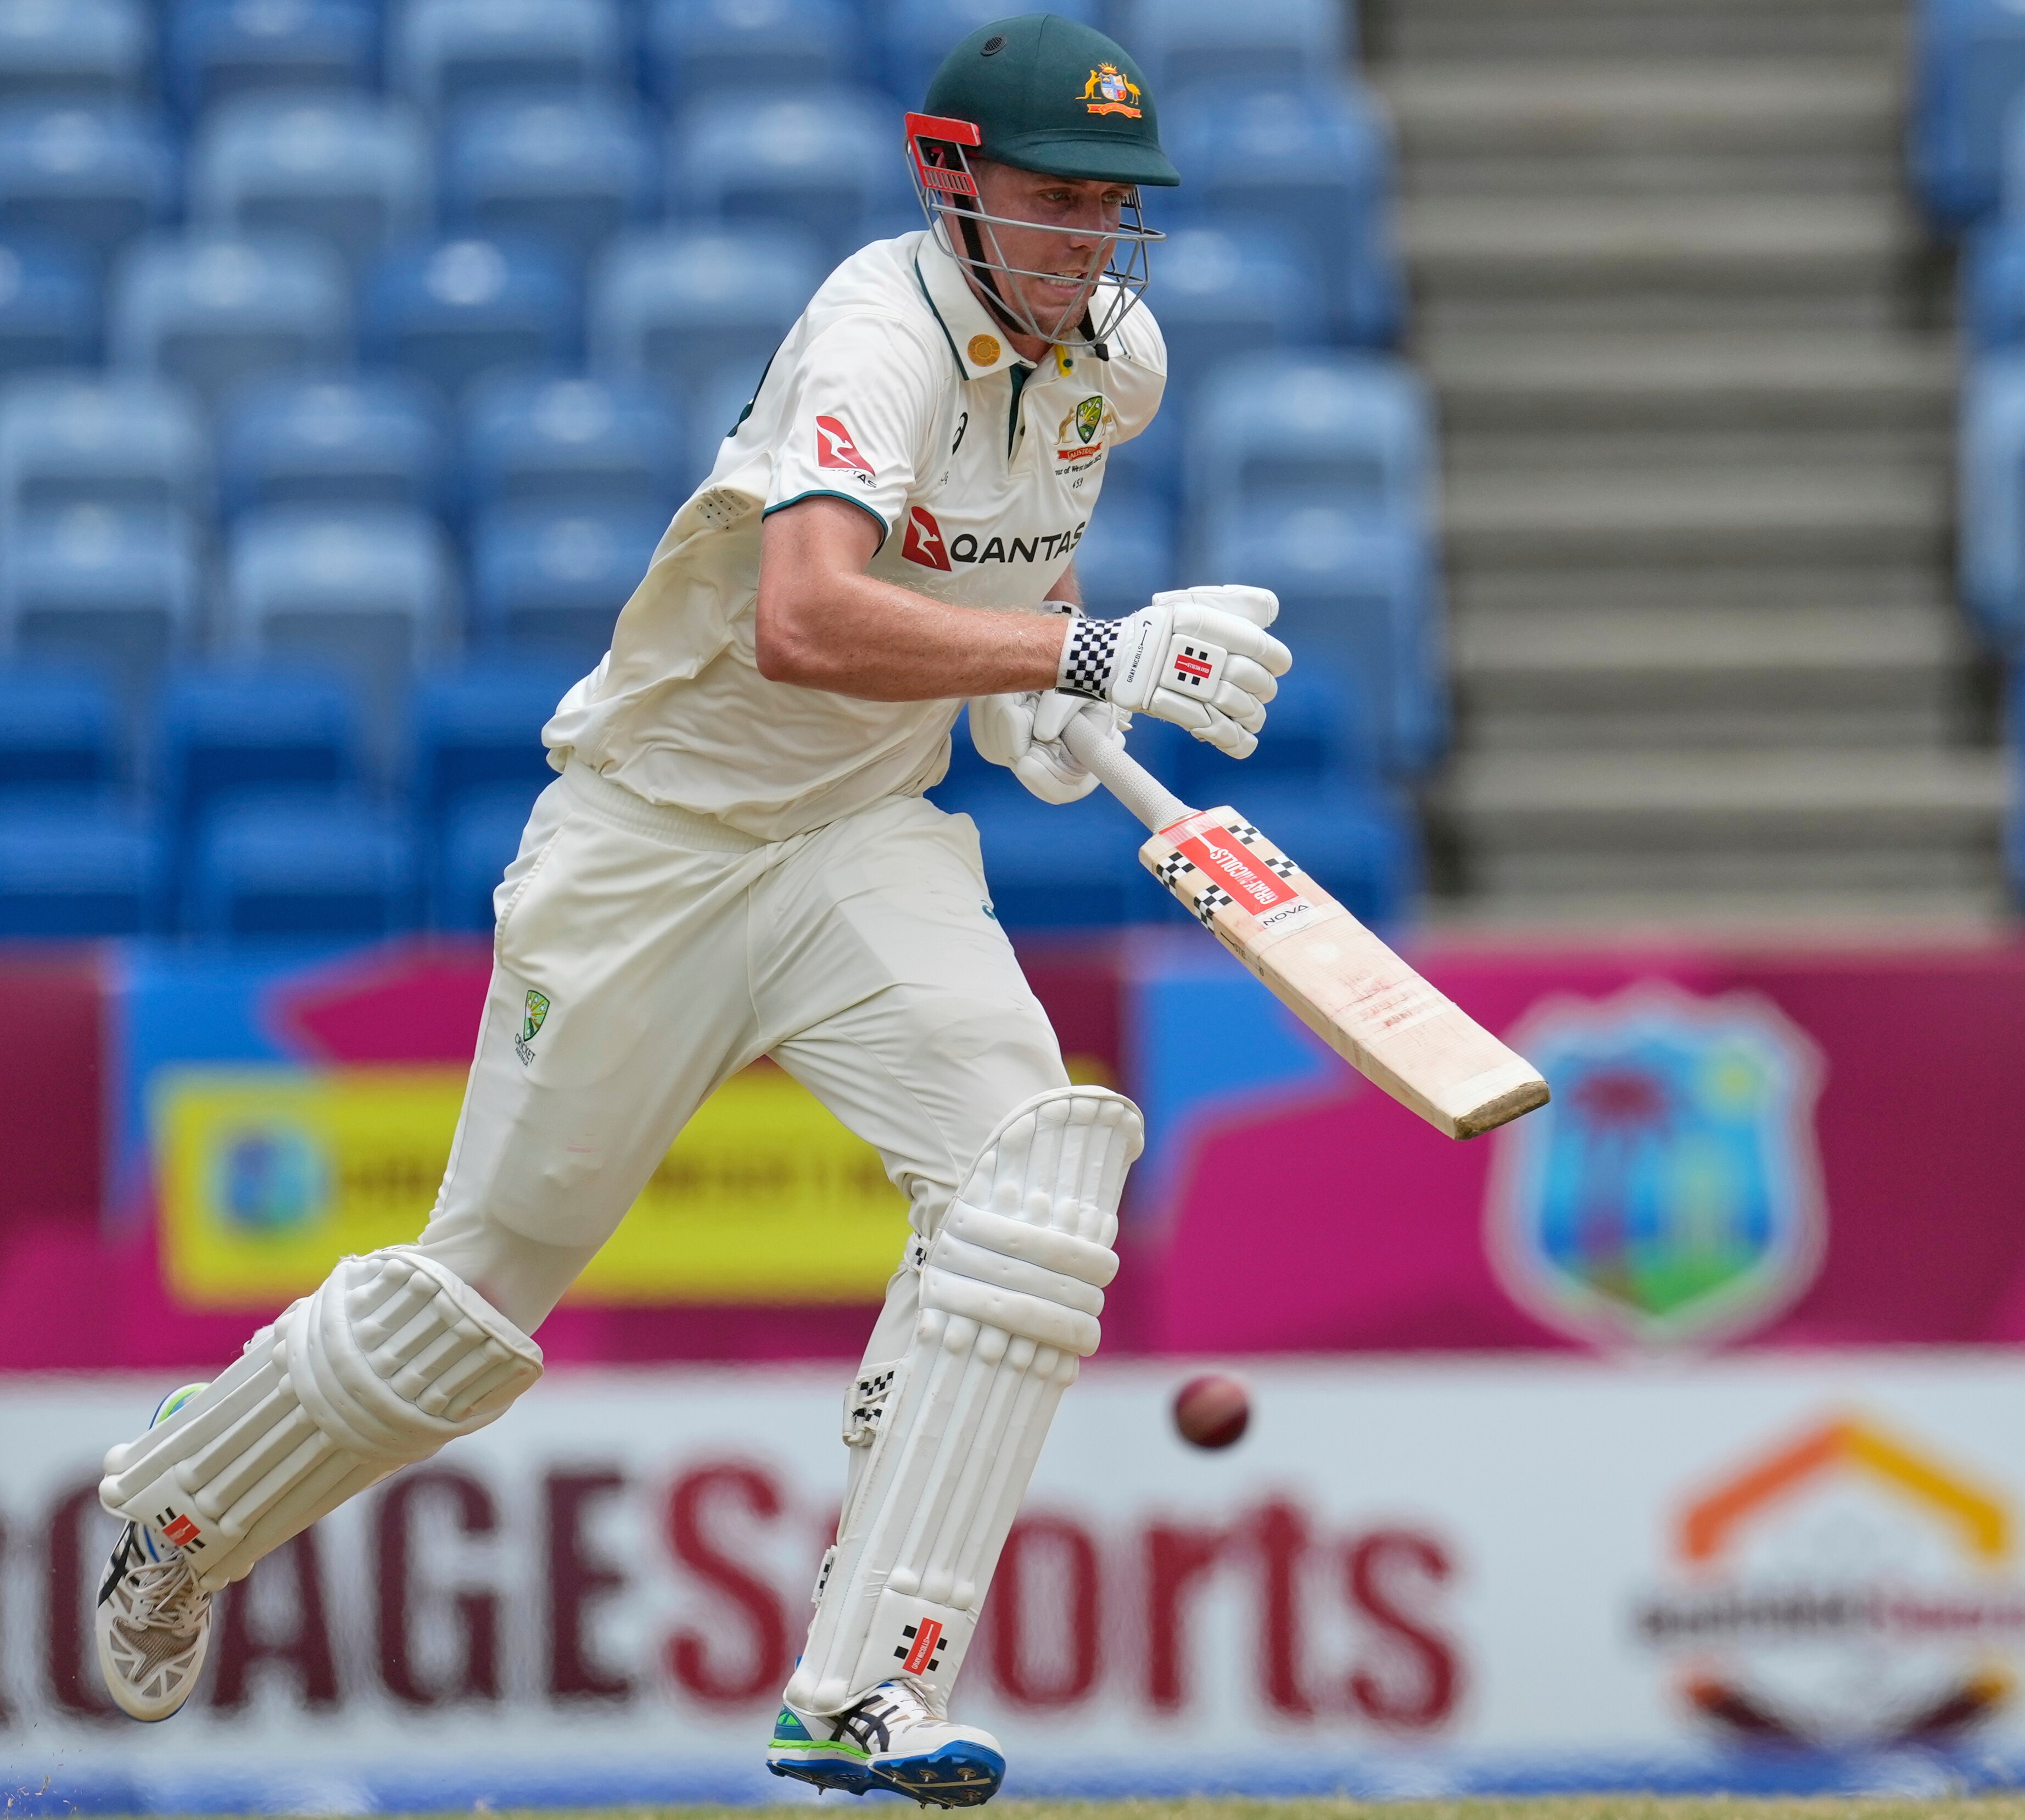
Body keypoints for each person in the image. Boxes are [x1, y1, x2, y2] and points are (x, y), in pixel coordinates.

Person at [89, 14, 1293, 1807]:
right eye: (1052, 202)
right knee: (473, 1308)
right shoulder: (880, 330)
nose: (1086, 246)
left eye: (1115, 210)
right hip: (652, 846)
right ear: (947, 180)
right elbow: (802, 618)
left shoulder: (1114, 356)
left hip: (862, 841)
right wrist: (1086, 648)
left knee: (1035, 1177)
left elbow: (1002, 568)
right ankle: (191, 1505)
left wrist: (1037, 694)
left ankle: (861, 1693)